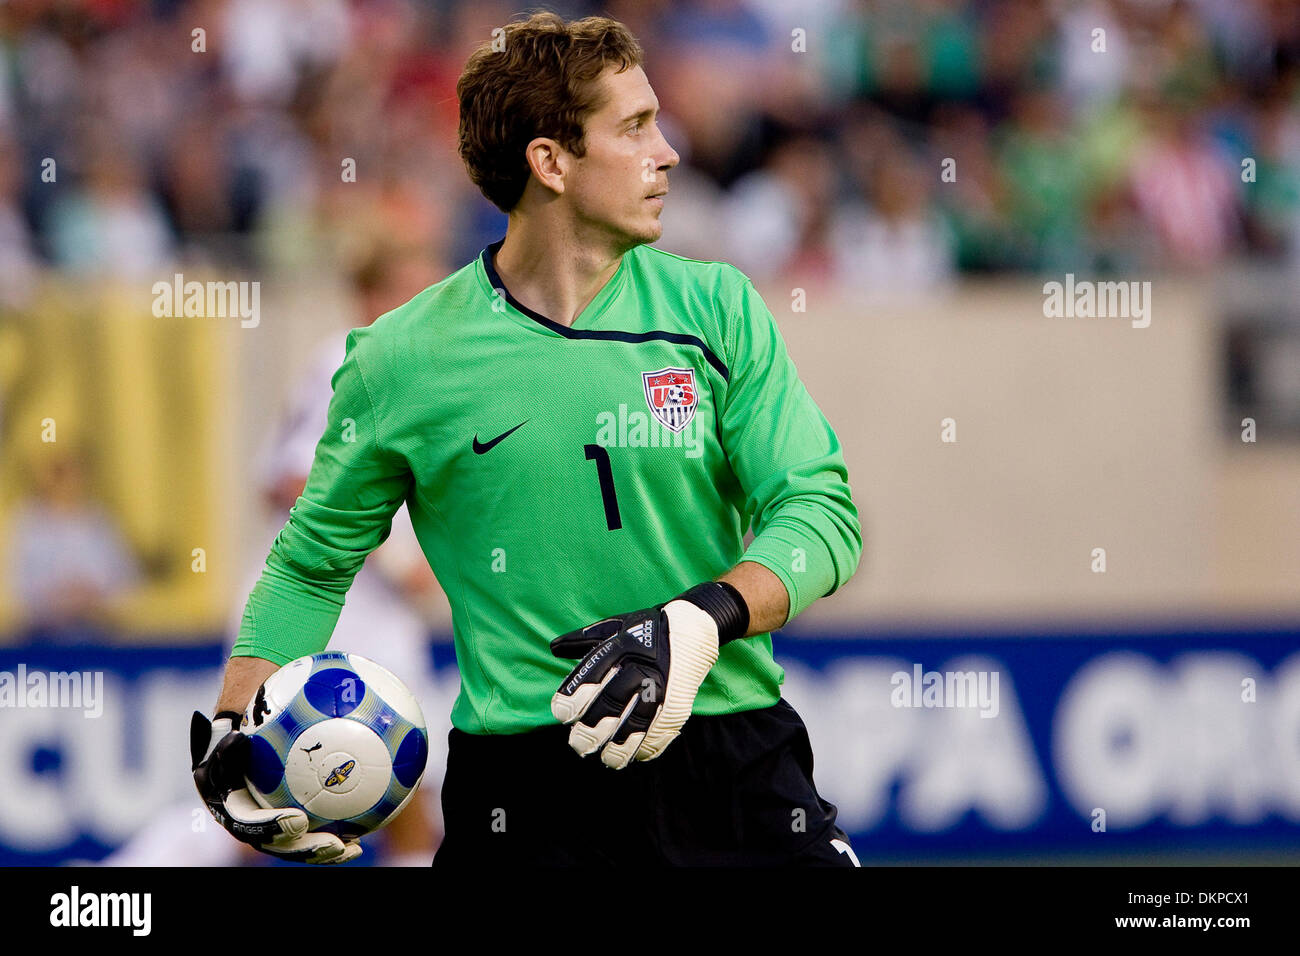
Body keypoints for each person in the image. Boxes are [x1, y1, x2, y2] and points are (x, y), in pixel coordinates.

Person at [192, 11, 862, 867]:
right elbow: (311, 561)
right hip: (523, 793)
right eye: (634, 128)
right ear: (551, 162)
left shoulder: (718, 308)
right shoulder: (401, 357)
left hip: (732, 765)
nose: (670, 152)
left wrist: (704, 617)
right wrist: (232, 724)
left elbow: (821, 514)